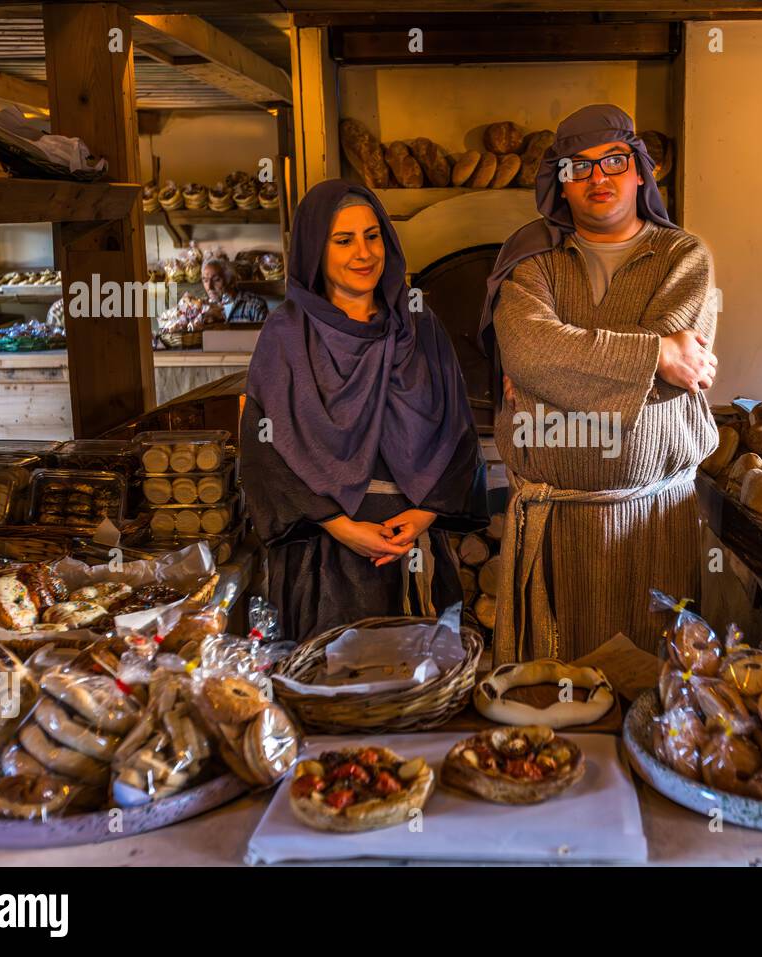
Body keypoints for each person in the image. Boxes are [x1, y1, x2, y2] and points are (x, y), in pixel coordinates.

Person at [479, 103, 719, 662]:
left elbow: (677, 379)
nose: (596, 179)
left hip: (656, 525)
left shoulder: (684, 258)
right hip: (554, 531)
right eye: (577, 168)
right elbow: (529, 349)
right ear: (561, 186)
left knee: (657, 708)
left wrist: (552, 378)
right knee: (546, 713)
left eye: (612, 161)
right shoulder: (533, 259)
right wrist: (653, 353)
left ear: (639, 170)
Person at [242, 181, 487, 644]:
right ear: (316, 248)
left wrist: (423, 518)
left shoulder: (419, 323)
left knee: (421, 688)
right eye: (344, 240)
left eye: (372, 236)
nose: (364, 253)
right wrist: (343, 528)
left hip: (413, 545)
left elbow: (457, 430)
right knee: (334, 686)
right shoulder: (288, 334)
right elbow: (264, 450)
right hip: (325, 555)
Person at [202, 256, 269, 322]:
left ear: (231, 281)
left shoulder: (255, 305)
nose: (209, 287)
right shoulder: (204, 308)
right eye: (205, 280)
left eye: (216, 280)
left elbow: (268, 332)